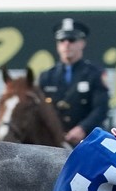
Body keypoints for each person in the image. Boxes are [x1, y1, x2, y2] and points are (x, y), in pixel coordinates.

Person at [38, 18, 109, 147]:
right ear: (57, 45)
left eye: (71, 40)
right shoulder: (46, 76)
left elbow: (101, 108)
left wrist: (82, 128)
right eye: (61, 40)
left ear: (82, 43)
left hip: (88, 141)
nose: (66, 44)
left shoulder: (94, 73)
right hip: (54, 144)